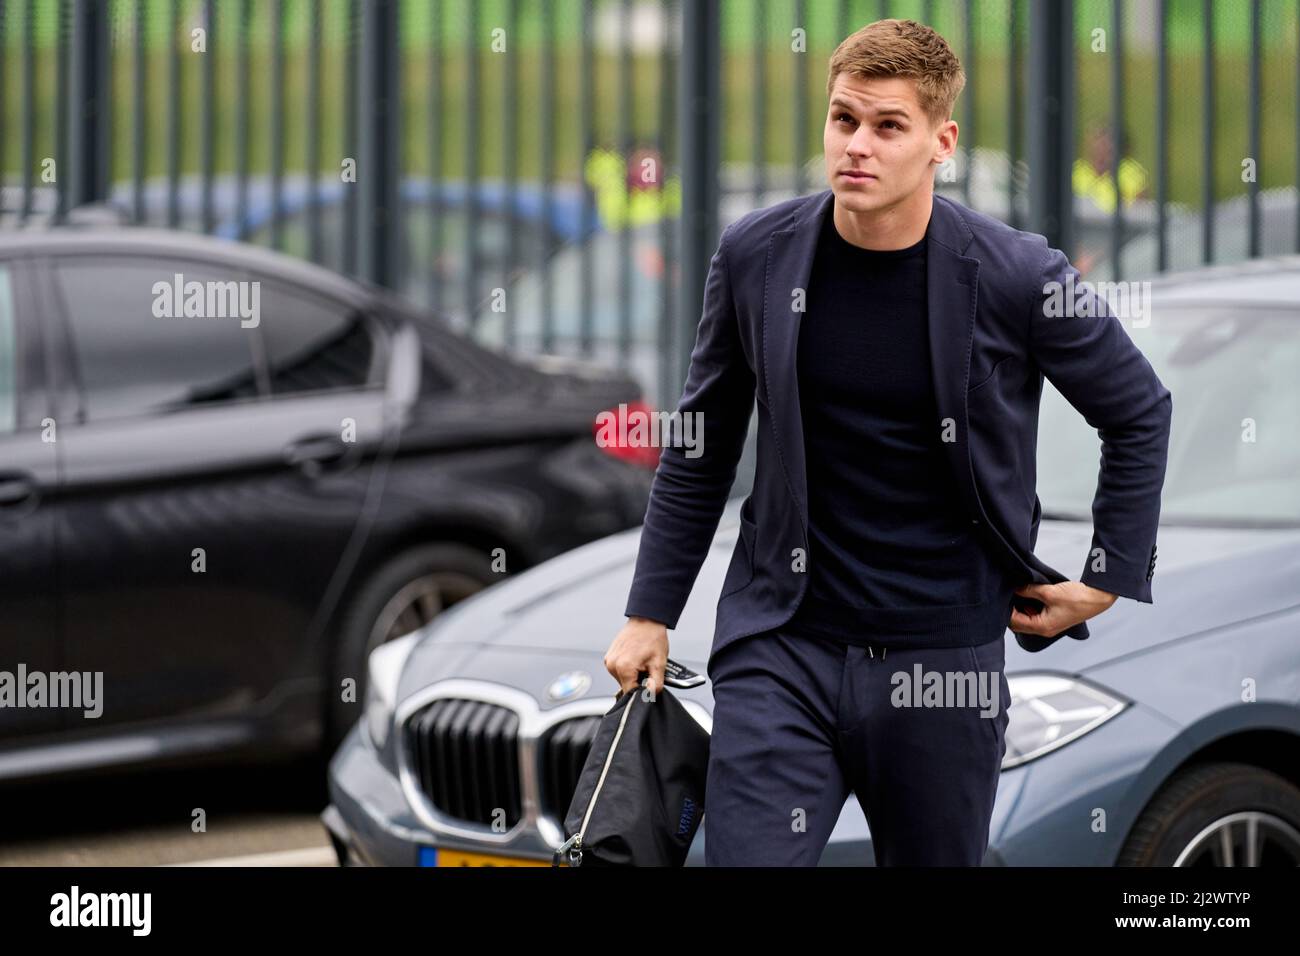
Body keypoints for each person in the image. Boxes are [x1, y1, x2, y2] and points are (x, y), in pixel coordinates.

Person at [603, 18, 1171, 866]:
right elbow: (700, 443)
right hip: (783, 645)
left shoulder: (1016, 275)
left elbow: (1138, 410)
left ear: (941, 141)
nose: (857, 146)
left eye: (887, 126)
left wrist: (1107, 577)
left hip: (941, 658)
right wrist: (650, 614)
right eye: (843, 120)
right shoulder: (758, 256)